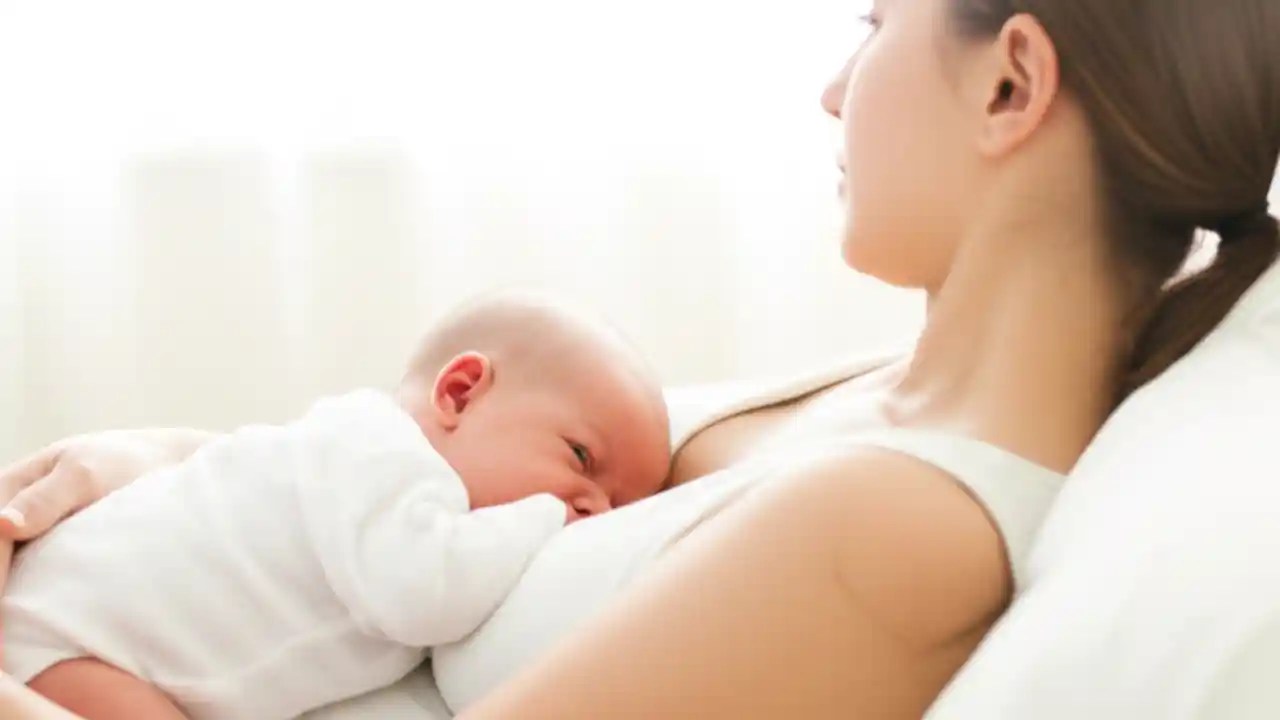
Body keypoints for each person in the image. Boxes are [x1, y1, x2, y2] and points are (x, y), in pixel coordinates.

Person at [1, 0, 1277, 717]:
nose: (833, 90)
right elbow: (428, 462)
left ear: (1008, 85)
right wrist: (146, 461)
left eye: (875, 22)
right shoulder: (872, 398)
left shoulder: (900, 528)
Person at [0, 295, 671, 719]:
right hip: (71, 641)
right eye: (581, 458)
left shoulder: (361, 466)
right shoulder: (387, 453)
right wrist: (542, 516)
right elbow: (419, 597)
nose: (594, 508)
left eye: (620, 506)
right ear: (460, 394)